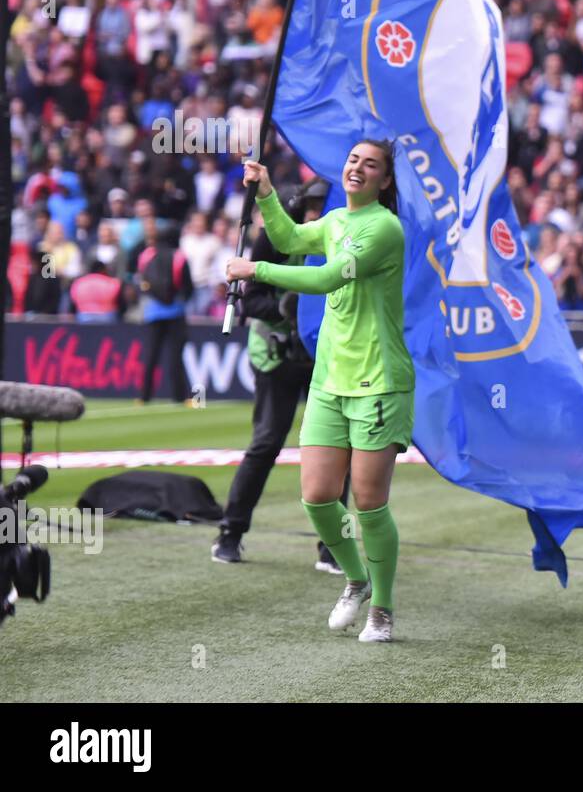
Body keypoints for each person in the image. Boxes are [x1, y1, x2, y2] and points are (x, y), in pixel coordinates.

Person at [225, 140, 414, 644]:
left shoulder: (384, 229)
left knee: (370, 504)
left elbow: (331, 275)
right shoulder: (334, 221)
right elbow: (286, 236)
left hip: (378, 381)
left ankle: (383, 608)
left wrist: (255, 270)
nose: (357, 167)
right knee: (317, 498)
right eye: (353, 159)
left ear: (385, 181)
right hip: (329, 379)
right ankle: (356, 577)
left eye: (370, 164)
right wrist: (266, 192)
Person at [212, 177, 353, 574]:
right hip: (275, 354)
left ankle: (332, 547)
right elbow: (248, 299)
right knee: (267, 442)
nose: (315, 217)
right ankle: (230, 532)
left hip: (326, 357)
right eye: (310, 209)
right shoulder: (275, 237)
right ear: (298, 208)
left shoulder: (345, 239)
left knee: (335, 450)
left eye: (322, 211)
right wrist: (285, 309)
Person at [135, 221, 197, 406]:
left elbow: (142, 282)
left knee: (151, 356)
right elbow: (189, 287)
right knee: (176, 357)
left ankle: (144, 397)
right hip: (175, 312)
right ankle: (180, 397)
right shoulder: (179, 256)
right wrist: (177, 300)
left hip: (152, 311)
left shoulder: (146, 255)